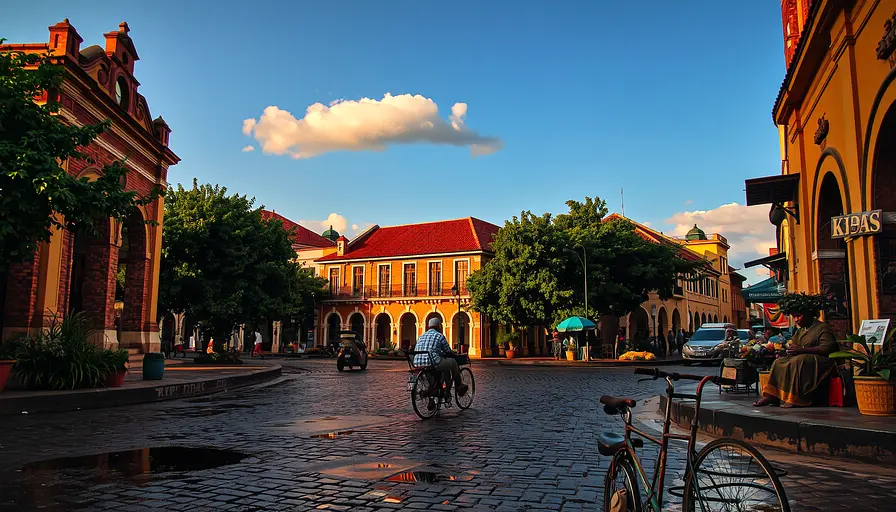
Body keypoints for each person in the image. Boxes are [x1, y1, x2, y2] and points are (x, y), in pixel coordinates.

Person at [754, 303, 838, 408]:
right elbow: (793, 343)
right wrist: (789, 349)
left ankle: (796, 397)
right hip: (803, 357)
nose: (796, 319)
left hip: (822, 360)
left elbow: (827, 349)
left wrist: (802, 349)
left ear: (809, 314)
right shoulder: (800, 330)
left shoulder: (822, 328)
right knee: (778, 362)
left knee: (799, 360)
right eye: (794, 317)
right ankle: (773, 395)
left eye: (798, 316)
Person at [413, 317, 469, 396]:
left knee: (440, 366)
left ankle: (432, 396)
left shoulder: (421, 336)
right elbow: (448, 351)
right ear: (439, 326)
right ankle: (459, 386)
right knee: (453, 362)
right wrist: (455, 355)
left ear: (429, 326)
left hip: (417, 363)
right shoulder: (439, 336)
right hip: (432, 362)